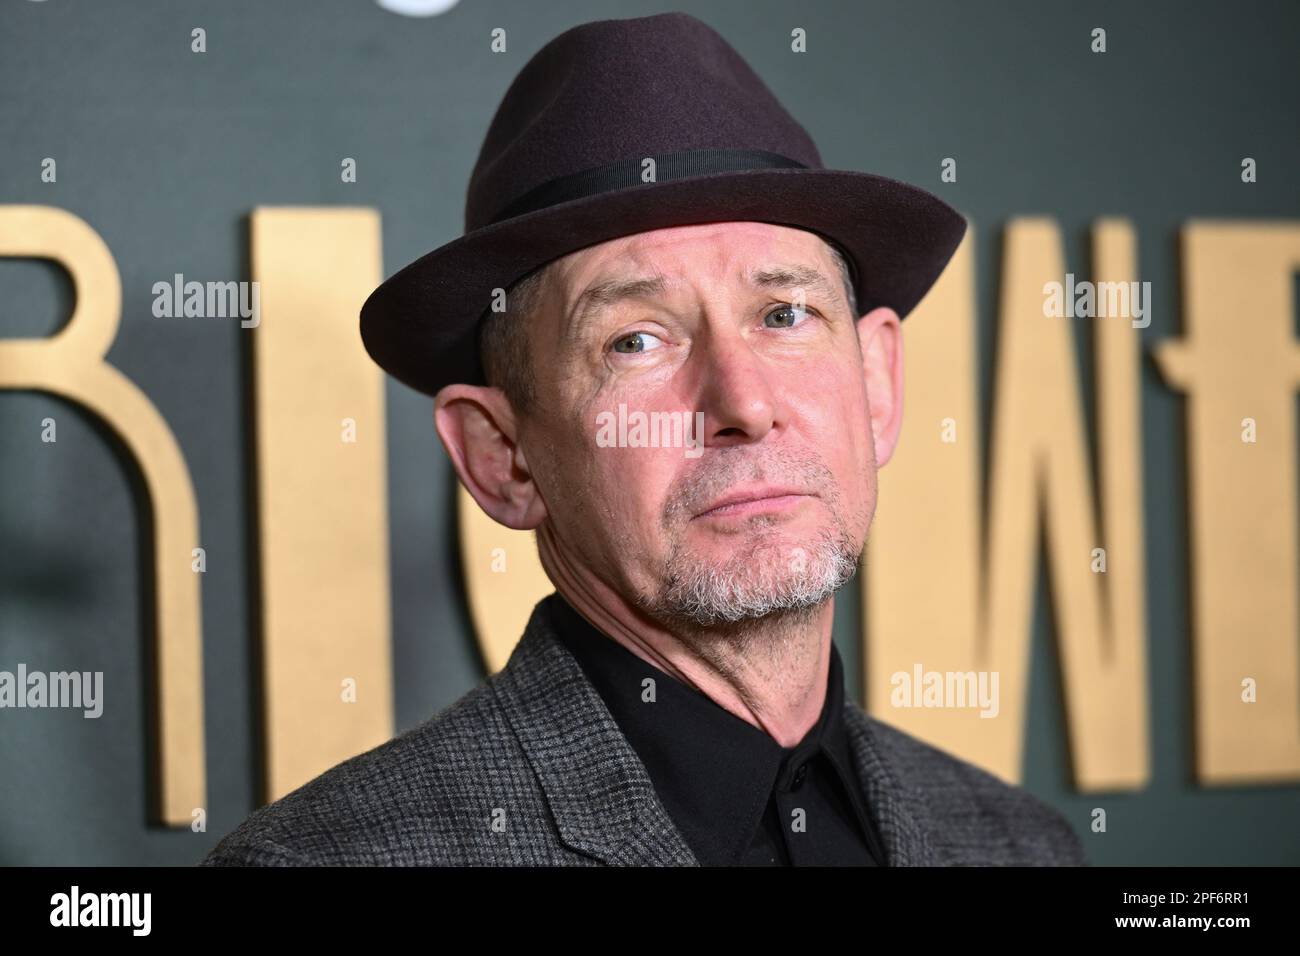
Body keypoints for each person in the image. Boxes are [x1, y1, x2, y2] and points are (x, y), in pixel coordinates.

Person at [202, 11, 1085, 866]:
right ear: (501, 457)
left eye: (784, 313)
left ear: (878, 383)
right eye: (636, 340)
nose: (743, 402)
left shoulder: (1018, 845)